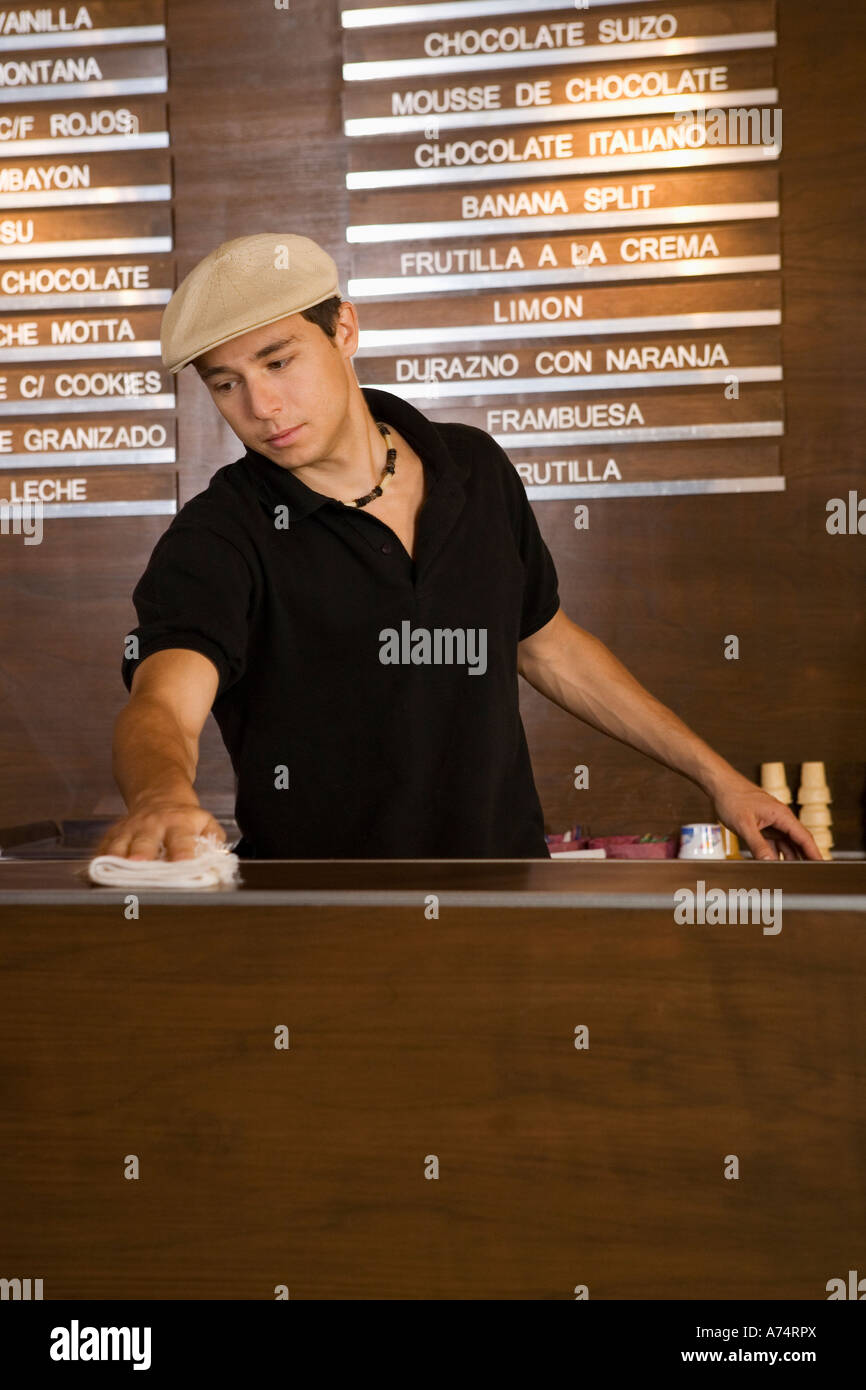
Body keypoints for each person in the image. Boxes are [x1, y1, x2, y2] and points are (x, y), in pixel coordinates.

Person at [97, 233, 821, 864]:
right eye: (227, 384)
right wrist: (160, 794)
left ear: (344, 328)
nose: (261, 407)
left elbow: (546, 645)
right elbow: (162, 697)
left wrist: (722, 779)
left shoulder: (472, 468)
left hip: (507, 895)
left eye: (279, 362)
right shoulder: (218, 534)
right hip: (319, 923)